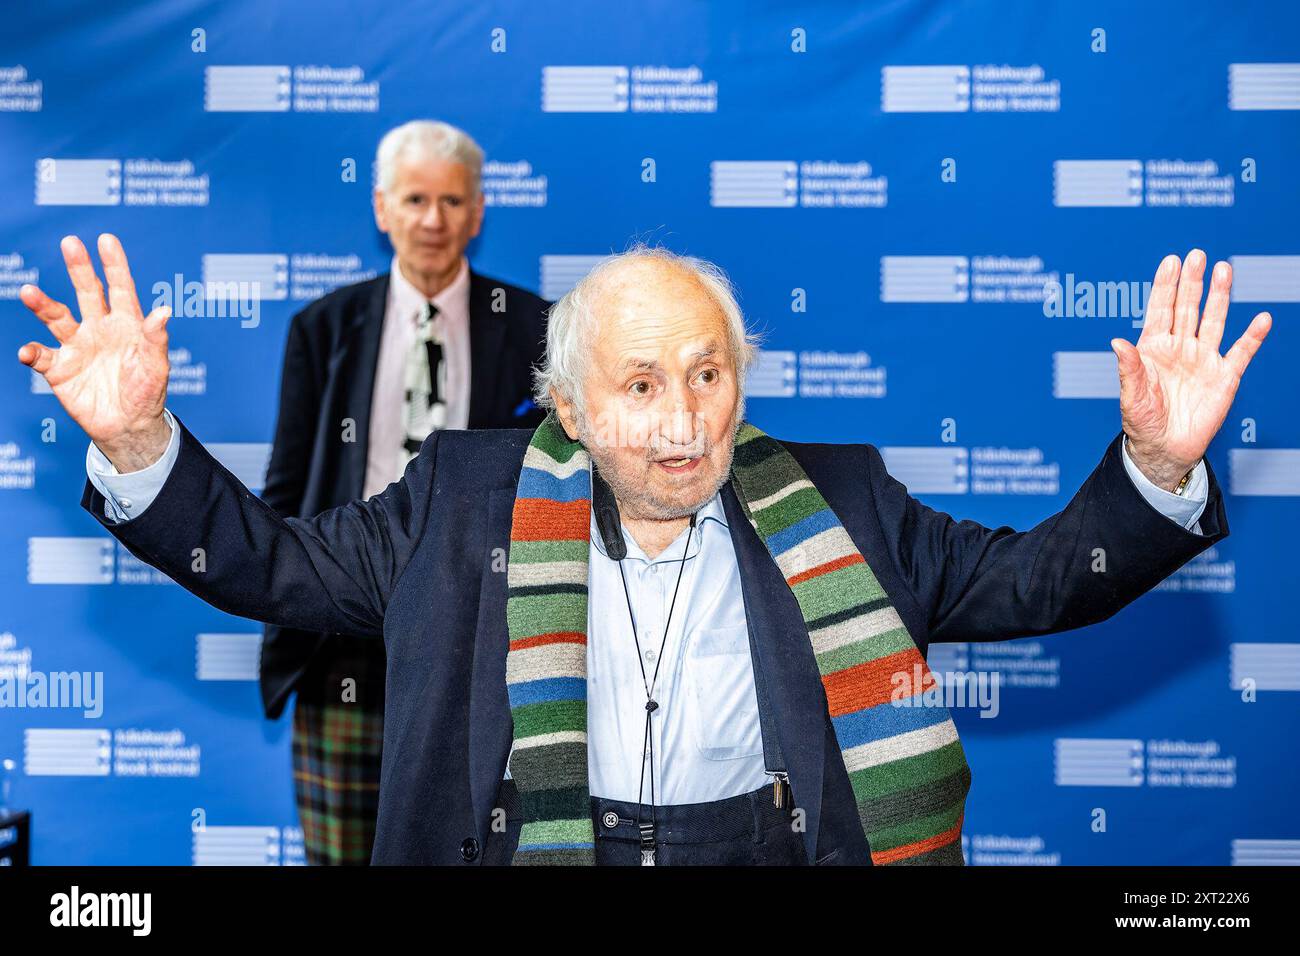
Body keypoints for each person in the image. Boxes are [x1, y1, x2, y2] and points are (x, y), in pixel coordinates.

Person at [17, 236, 1270, 865]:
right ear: (568, 406)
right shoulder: (459, 503)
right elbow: (266, 566)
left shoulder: (844, 499)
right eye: (641, 383)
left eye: (708, 374)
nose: (684, 420)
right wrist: (140, 442)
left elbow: (1042, 576)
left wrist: (1155, 468)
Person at [257, 120, 548, 864]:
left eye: (452, 201)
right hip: (341, 639)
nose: (432, 220)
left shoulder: (533, 328)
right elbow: (288, 489)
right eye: (415, 198)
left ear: (478, 213)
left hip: (480, 645)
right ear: (382, 207)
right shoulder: (323, 329)